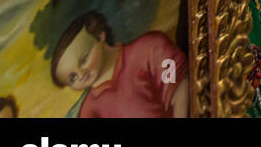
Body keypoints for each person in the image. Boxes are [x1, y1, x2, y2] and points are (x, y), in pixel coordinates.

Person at [51, 11, 188, 117]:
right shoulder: (89, 109)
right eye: (73, 77)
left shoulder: (150, 48)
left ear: (100, 36)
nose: (81, 74)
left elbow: (180, 87)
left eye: (84, 59)